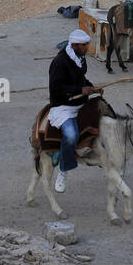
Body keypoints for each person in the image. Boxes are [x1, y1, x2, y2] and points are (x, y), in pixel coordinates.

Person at [48, 29, 100, 193]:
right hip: (64, 106)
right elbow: (55, 88)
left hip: (81, 102)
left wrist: (91, 87)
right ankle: (63, 171)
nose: (87, 47)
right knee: (71, 136)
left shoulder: (81, 59)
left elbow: (81, 79)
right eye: (85, 45)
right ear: (75, 45)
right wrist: (79, 89)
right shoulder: (59, 62)